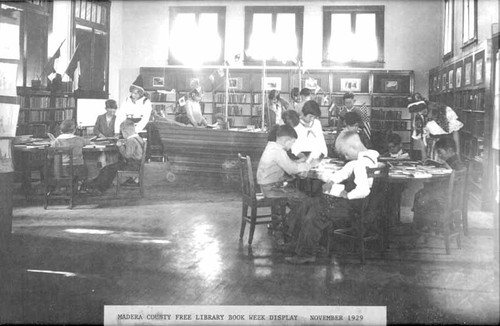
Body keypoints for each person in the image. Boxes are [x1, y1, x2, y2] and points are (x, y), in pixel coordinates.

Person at [285, 131, 382, 264]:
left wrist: (348, 195)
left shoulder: (361, 164)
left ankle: (305, 252)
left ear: (353, 148)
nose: (345, 157)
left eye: (346, 154)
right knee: (309, 203)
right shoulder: (368, 158)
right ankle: (300, 243)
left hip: (352, 206)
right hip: (355, 205)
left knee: (315, 213)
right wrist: (331, 181)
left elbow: (363, 189)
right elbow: (346, 170)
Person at [257, 125, 315, 238]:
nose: (293, 145)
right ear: (287, 141)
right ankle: (288, 227)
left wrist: (298, 163)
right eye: (292, 142)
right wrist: (309, 165)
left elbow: (287, 164)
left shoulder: (272, 147)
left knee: (299, 198)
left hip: (267, 186)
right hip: (272, 189)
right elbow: (292, 169)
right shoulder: (278, 151)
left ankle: (288, 225)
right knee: (306, 201)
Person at [413, 137, 465, 230]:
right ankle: (426, 225)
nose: (439, 156)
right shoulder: (454, 161)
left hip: (447, 198)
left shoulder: (455, 163)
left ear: (450, 150)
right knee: (423, 193)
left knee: (420, 196)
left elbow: (453, 179)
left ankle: (420, 227)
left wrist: (446, 168)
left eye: (440, 152)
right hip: (449, 195)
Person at [85, 119, 145, 195]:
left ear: (125, 132)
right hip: (135, 164)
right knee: (109, 168)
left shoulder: (131, 141)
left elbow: (127, 155)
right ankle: (96, 185)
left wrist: (120, 146)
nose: (122, 134)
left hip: (131, 165)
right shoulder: (138, 138)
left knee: (108, 169)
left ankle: (99, 188)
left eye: (122, 132)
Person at [408, 93, 463, 161]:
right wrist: (423, 154)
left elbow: (455, 131)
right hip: (432, 146)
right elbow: (421, 137)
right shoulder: (419, 117)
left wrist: (457, 152)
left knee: (449, 167)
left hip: (448, 145)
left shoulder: (442, 109)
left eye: (421, 109)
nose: (420, 113)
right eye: (417, 111)